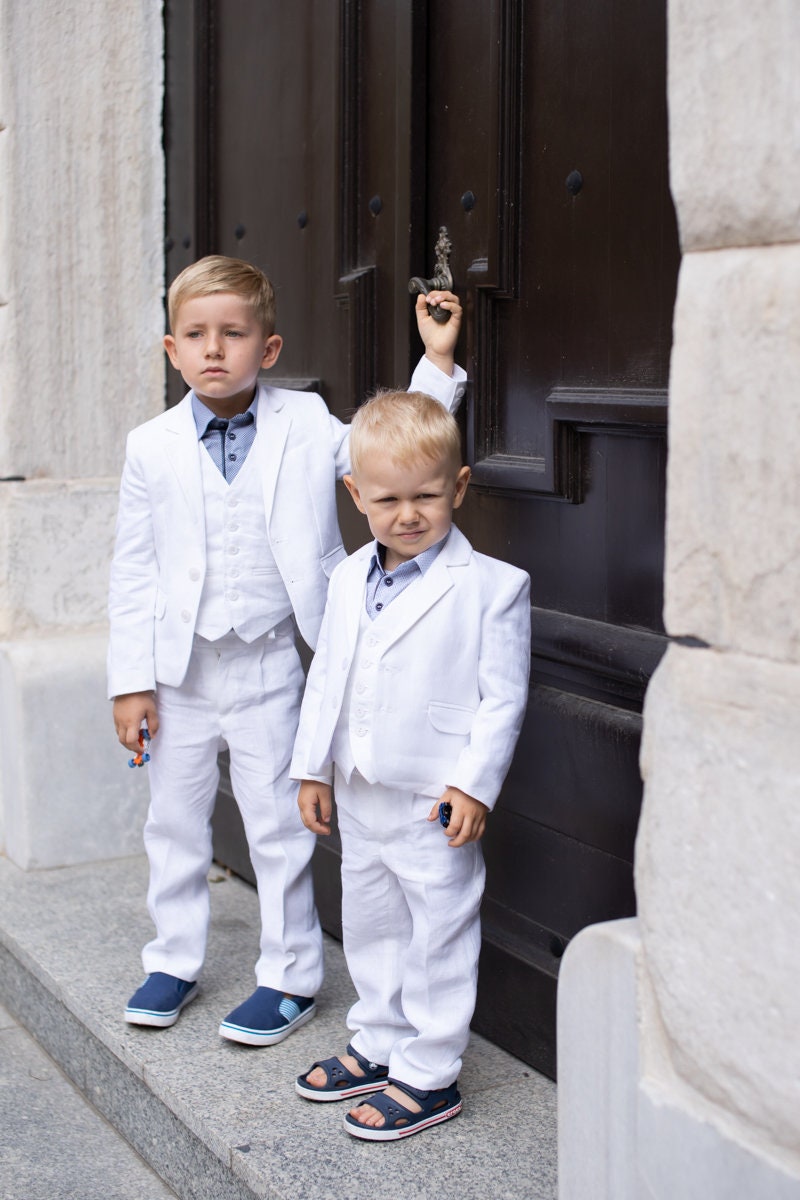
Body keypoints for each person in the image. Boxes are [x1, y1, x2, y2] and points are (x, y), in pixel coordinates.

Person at [108, 255, 465, 1044]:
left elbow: (391, 451)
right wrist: (129, 682)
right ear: (171, 351)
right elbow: (133, 568)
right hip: (178, 676)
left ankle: (291, 972)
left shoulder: (306, 424)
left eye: (232, 334)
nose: (213, 349)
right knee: (173, 821)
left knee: (278, 824)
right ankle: (173, 957)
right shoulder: (150, 447)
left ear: (267, 349)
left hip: (270, 663)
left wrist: (436, 364)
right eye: (195, 336)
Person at [291, 390, 530, 1139]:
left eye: (426, 496)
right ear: (355, 493)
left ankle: (429, 1073)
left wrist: (474, 784)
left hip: (434, 797)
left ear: (457, 487)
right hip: (360, 791)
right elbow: (327, 673)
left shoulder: (494, 587)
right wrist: (312, 769)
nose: (408, 515)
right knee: (371, 923)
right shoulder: (344, 579)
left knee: (437, 931)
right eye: (387, 499)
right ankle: (379, 1039)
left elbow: (502, 699)